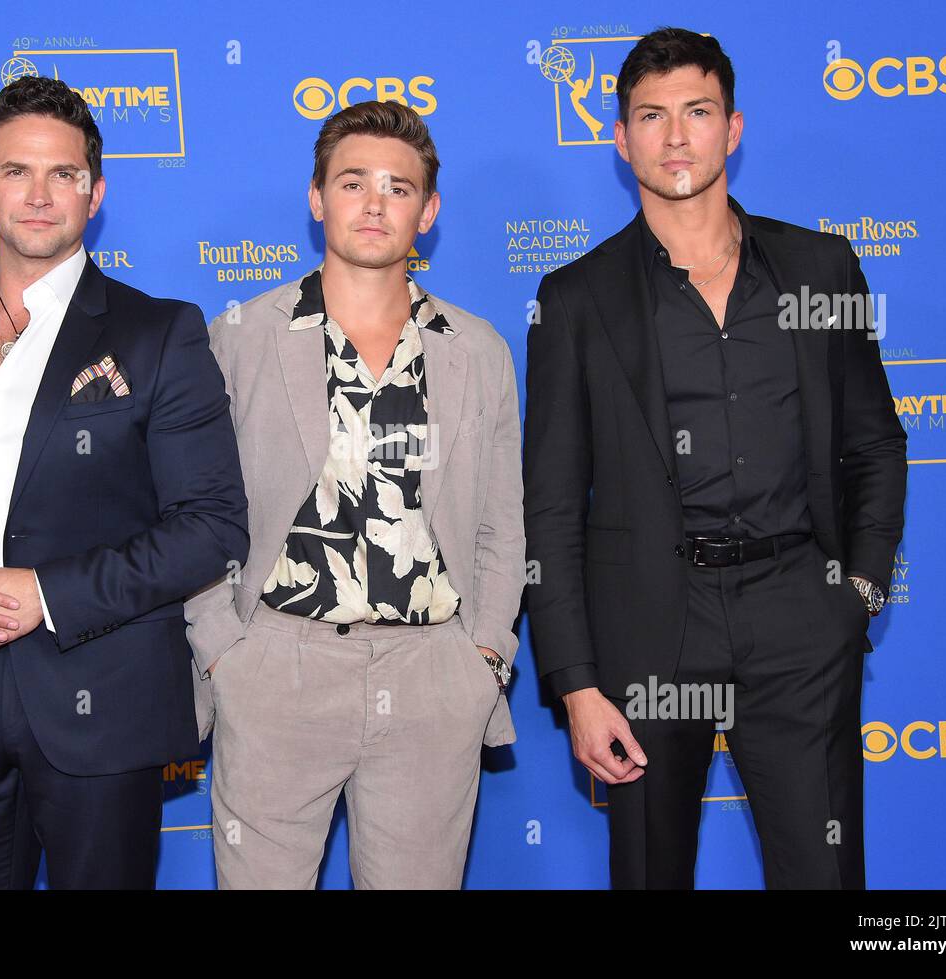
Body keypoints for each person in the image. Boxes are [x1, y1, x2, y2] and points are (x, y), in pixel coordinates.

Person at [524, 27, 907, 889]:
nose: (675, 136)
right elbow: (549, 502)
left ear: (732, 127)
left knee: (826, 874)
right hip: (653, 628)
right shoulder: (576, 299)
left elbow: (875, 441)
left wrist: (860, 590)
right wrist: (578, 683)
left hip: (800, 613)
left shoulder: (820, 268)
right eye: (651, 117)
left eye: (696, 112)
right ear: (620, 140)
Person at [0, 76, 247, 889]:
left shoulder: (159, 331)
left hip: (101, 710)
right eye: (16, 172)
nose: (39, 196)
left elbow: (211, 525)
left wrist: (46, 593)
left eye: (63, 174)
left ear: (96, 191)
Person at [185, 100, 525, 889]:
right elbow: (199, 507)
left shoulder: (477, 350)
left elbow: (503, 525)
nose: (374, 204)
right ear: (316, 197)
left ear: (428, 211)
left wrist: (484, 655)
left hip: (433, 675)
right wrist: (222, 651)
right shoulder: (241, 334)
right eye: (352, 182)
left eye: (398, 188)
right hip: (276, 667)